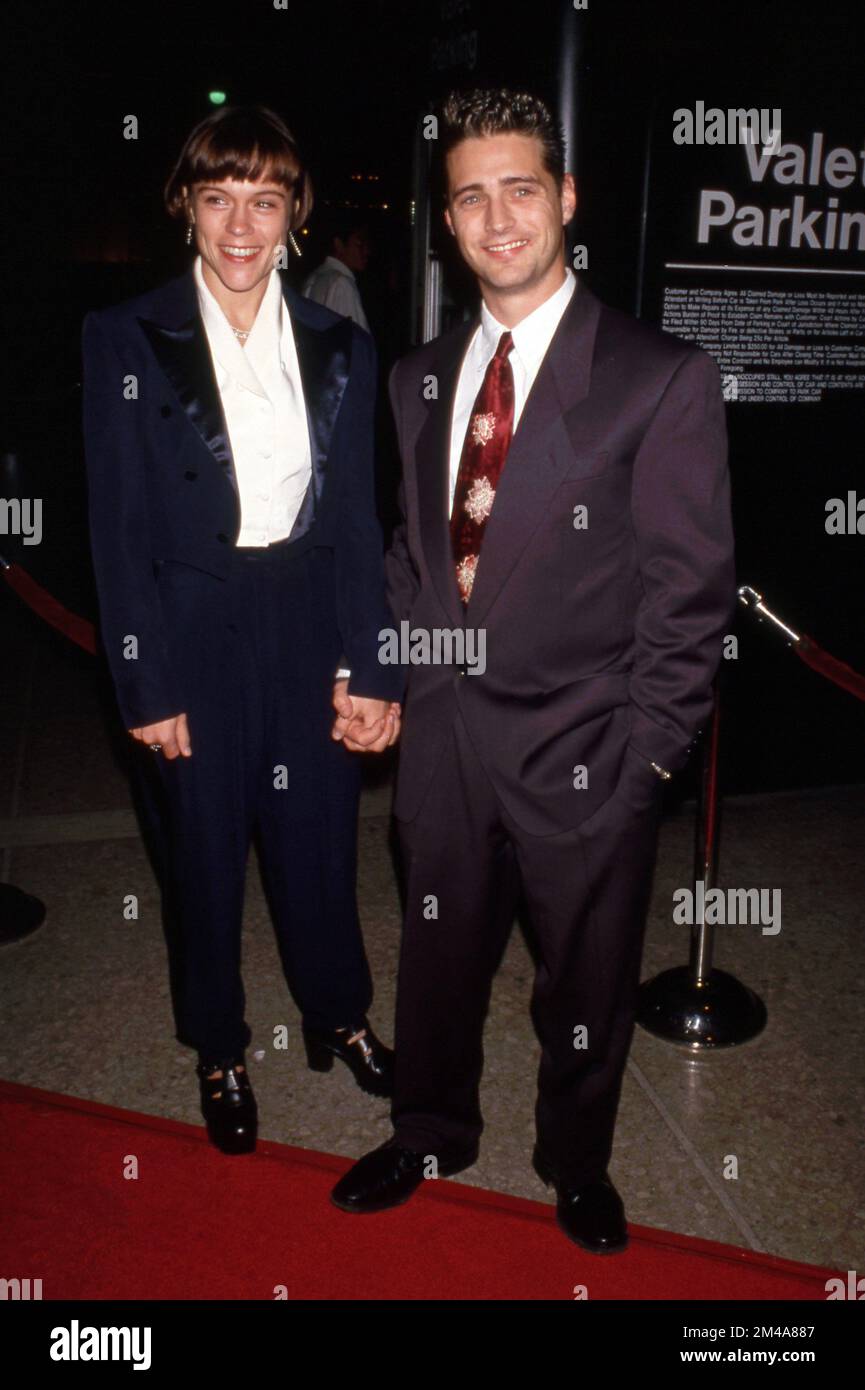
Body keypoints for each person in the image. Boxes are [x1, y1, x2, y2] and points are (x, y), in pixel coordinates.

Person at [331, 88, 735, 1252]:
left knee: (584, 984)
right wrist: (388, 678)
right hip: (446, 744)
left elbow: (688, 595)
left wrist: (643, 761)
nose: (496, 216)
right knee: (437, 954)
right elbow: (418, 556)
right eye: (470, 195)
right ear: (446, 220)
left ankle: (574, 1160)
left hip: (586, 751)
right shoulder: (415, 375)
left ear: (564, 198)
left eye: (519, 188)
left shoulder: (660, 377)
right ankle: (427, 1128)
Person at [82, 105, 401, 1156]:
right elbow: (117, 528)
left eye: (264, 201)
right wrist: (145, 683)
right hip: (191, 629)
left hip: (308, 620)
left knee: (318, 844)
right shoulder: (125, 336)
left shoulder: (341, 345)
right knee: (207, 855)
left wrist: (376, 665)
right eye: (219, 197)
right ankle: (219, 1044)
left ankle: (337, 1015)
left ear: (294, 214)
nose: (239, 225)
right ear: (185, 204)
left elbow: (360, 521)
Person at [302, 211, 371, 331]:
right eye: (359, 244)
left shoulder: (314, 277)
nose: (366, 251)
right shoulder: (341, 284)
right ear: (339, 244)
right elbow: (357, 343)